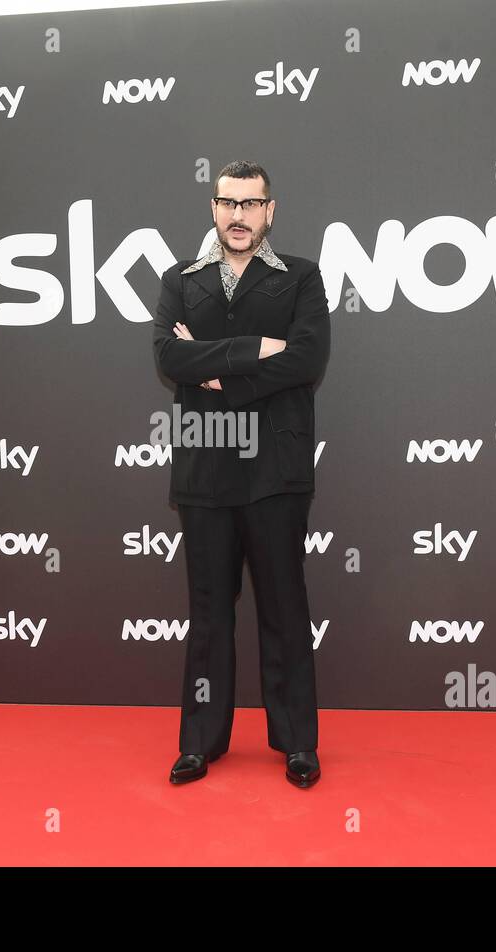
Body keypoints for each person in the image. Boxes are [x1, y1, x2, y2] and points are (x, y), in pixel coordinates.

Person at [151, 160, 331, 788]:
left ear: (269, 212)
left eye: (251, 204)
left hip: (275, 468)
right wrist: (256, 352)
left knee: (284, 606)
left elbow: (308, 358)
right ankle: (200, 741)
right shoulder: (182, 280)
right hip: (205, 467)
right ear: (214, 207)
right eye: (228, 202)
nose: (238, 215)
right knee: (208, 612)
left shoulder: (302, 279)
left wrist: (217, 372)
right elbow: (170, 356)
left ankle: (298, 743)